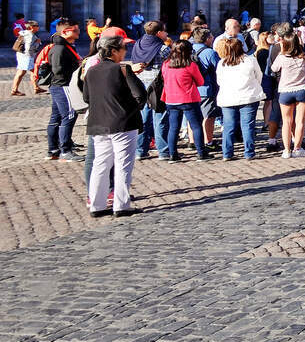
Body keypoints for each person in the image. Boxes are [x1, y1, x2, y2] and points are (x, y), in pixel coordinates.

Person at [82, 31, 144, 217]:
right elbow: (140, 94)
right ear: (114, 51)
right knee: (123, 164)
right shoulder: (122, 69)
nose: (126, 51)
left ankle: (97, 205)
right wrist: (130, 108)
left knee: (100, 164)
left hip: (98, 122)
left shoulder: (91, 70)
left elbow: (87, 97)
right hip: (122, 123)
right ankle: (121, 205)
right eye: (124, 48)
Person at [215, 34, 265, 160]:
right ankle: (249, 152)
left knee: (228, 126)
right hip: (248, 96)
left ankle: (227, 153)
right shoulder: (250, 60)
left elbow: (219, 81)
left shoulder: (222, 63)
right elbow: (259, 76)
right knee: (247, 126)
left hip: (228, 98)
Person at [158, 40, 208, 162]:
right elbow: (200, 82)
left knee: (174, 127)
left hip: (171, 99)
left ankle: (172, 154)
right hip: (188, 99)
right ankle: (201, 153)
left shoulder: (166, 64)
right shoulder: (190, 65)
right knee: (196, 126)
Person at [42, 18, 83, 160]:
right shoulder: (60, 48)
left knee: (57, 117)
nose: (78, 31)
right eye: (75, 30)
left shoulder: (63, 46)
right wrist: (77, 67)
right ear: (65, 32)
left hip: (58, 86)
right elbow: (59, 70)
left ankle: (53, 150)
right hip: (63, 85)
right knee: (69, 115)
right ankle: (65, 150)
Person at [272, 31, 305, 158]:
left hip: (285, 90)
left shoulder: (282, 57)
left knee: (286, 122)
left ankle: (286, 150)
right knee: (300, 121)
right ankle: (297, 148)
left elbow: (273, 69)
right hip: (302, 89)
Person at [193, 28, 221, 150]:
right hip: (206, 88)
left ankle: (192, 140)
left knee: (193, 117)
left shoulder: (189, 49)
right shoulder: (210, 53)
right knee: (208, 116)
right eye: (211, 37)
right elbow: (219, 68)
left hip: (192, 88)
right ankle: (208, 141)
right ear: (207, 39)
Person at [10, 19, 44, 96]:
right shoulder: (30, 35)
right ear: (32, 27)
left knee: (30, 71)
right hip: (27, 56)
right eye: (37, 26)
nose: (38, 27)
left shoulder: (24, 33)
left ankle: (36, 88)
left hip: (21, 54)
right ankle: (14, 90)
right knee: (22, 72)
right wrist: (37, 43)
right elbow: (29, 47)